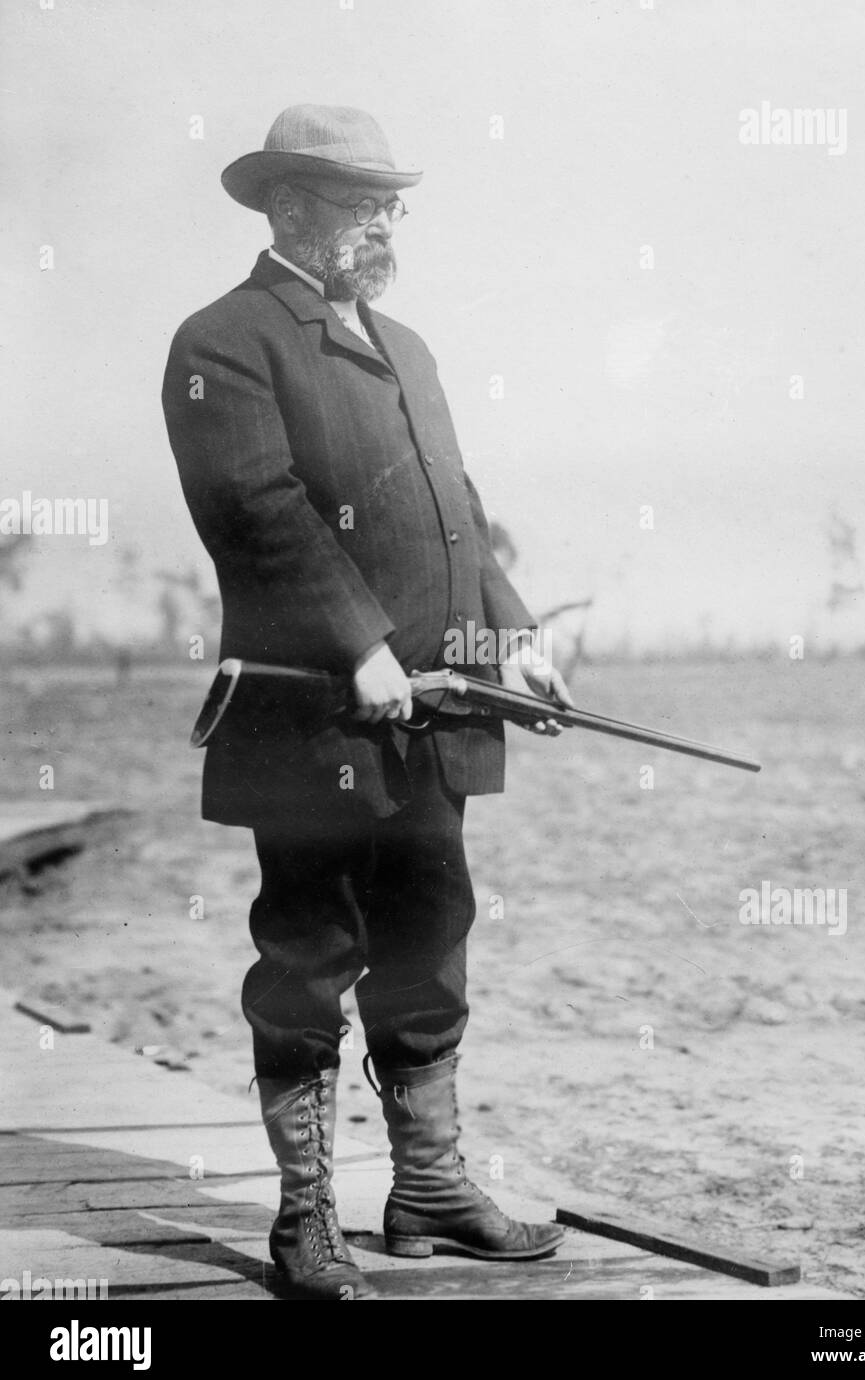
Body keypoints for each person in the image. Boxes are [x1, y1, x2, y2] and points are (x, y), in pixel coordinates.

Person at [161, 104, 573, 1300]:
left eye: (394, 201)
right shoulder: (223, 341)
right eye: (363, 201)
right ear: (290, 207)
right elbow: (257, 510)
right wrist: (357, 646)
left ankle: (430, 1189)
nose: (388, 221)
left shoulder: (410, 347)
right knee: (309, 949)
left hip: (435, 718)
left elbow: (460, 513)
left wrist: (514, 639)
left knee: (430, 937)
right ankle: (303, 1219)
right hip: (313, 720)